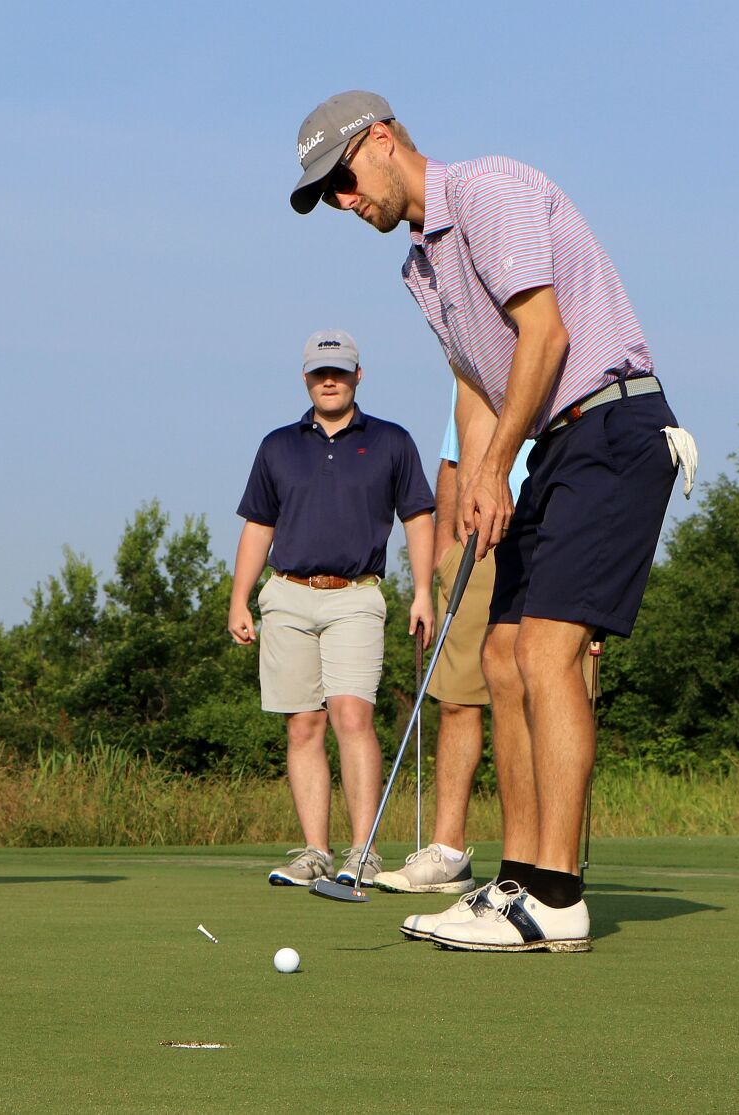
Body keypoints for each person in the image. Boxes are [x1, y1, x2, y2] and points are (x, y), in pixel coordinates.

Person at [289, 91, 690, 951]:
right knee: (503, 657)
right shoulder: (419, 269)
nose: (343, 201)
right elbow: (478, 383)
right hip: (553, 443)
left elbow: (544, 338)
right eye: (326, 195)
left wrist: (500, 461)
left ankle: (557, 895)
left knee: (546, 647)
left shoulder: (491, 190)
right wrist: (477, 480)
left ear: (383, 140)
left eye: (343, 179)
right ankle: (513, 883)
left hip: (614, 424)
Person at [228, 329, 436, 890]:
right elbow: (258, 525)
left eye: (340, 372)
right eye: (321, 372)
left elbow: (419, 516)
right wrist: (239, 598)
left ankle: (362, 852)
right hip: (287, 594)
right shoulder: (277, 445)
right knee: (303, 724)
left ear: (357, 377)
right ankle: (314, 852)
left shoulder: (391, 441)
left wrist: (423, 592)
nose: (330, 380)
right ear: (305, 378)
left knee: (352, 716)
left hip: (356, 594)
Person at [374, 382, 599, 895]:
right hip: (478, 544)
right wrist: (446, 553)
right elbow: (453, 461)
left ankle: (545, 862)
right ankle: (449, 852)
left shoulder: (557, 345)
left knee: (547, 686)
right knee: (459, 697)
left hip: (555, 527)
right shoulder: (471, 353)